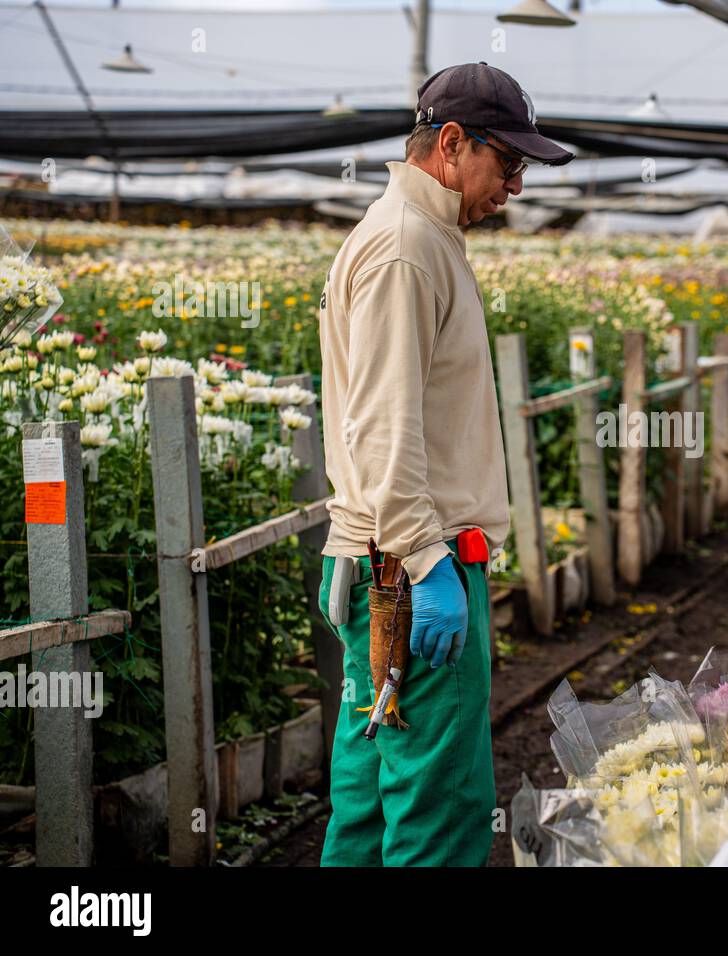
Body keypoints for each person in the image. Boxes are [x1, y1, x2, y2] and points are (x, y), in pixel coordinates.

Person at [315, 62, 573, 866]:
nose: (517, 187)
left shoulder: (417, 235)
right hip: (410, 568)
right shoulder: (406, 249)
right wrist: (428, 566)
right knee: (441, 803)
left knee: (368, 797)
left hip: (378, 561)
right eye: (510, 165)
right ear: (454, 144)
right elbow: (385, 428)